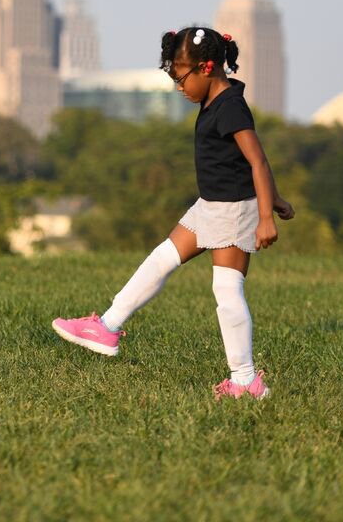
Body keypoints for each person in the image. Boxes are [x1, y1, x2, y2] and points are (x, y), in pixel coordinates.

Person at [52, 26, 294, 399]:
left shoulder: (230, 106)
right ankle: (107, 327)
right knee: (162, 257)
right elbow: (248, 163)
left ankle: (245, 380)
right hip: (210, 204)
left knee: (226, 290)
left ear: (207, 68)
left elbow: (256, 159)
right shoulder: (212, 101)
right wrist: (274, 198)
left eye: (181, 78)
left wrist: (266, 213)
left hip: (232, 210)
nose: (179, 87)